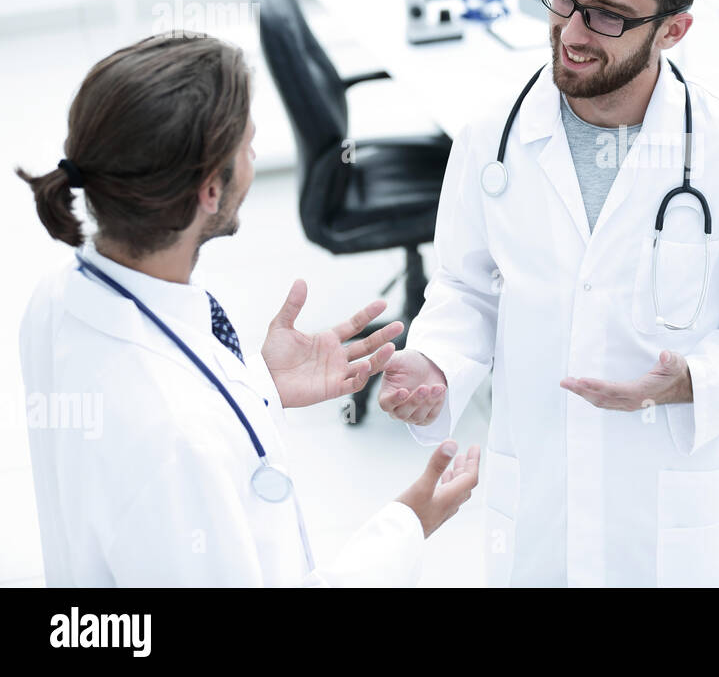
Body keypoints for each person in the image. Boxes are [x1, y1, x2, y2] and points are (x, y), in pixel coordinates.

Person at [376, 0, 719, 587]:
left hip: (672, 506)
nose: (571, 30)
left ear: (673, 30)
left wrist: (696, 380)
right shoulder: (488, 141)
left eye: (607, 16)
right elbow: (467, 287)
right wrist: (437, 361)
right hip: (540, 501)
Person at [17, 31, 480, 586]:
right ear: (210, 191)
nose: (255, 157)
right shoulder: (179, 442)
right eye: (248, 145)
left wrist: (255, 385)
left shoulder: (59, 297)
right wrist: (408, 524)